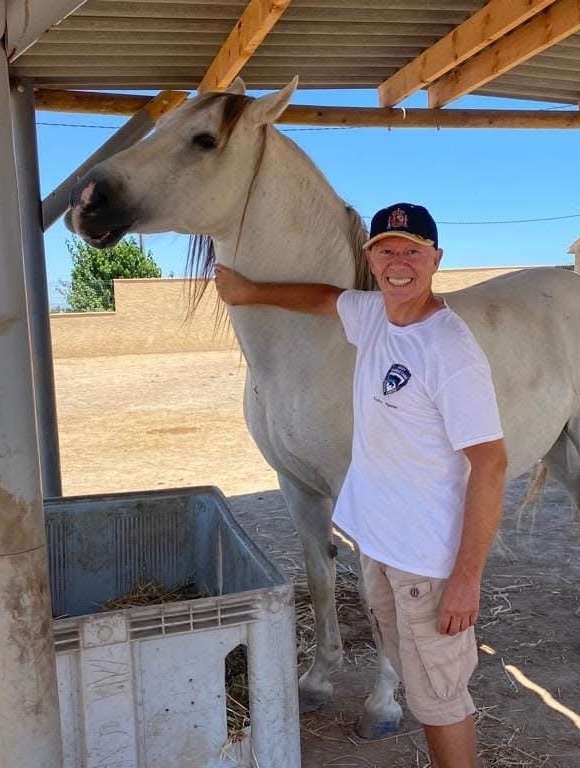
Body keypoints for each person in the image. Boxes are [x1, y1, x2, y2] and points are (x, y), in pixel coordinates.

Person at [215, 202, 507, 768]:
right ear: (371, 260)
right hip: (379, 550)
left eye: (413, 252)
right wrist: (251, 291)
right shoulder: (373, 314)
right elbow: (323, 298)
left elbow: (491, 463)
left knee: (442, 698)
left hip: (428, 562)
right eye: (387, 250)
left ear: (436, 260)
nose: (400, 263)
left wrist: (467, 577)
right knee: (420, 686)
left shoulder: (448, 348)